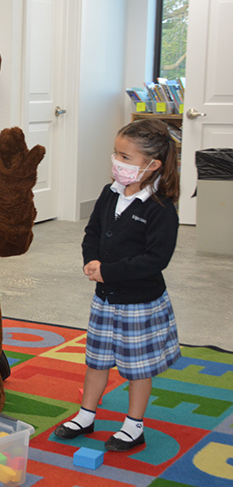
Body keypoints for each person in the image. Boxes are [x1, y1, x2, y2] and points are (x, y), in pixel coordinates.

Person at [53, 118, 181, 452]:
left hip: (140, 301)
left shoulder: (161, 208)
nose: (117, 162)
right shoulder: (109, 193)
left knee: (138, 367)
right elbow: (93, 231)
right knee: (96, 360)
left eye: (126, 157)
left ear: (152, 165)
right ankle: (86, 415)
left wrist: (108, 271)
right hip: (105, 298)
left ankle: (133, 426)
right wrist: (90, 260)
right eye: (116, 154)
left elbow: (155, 259)